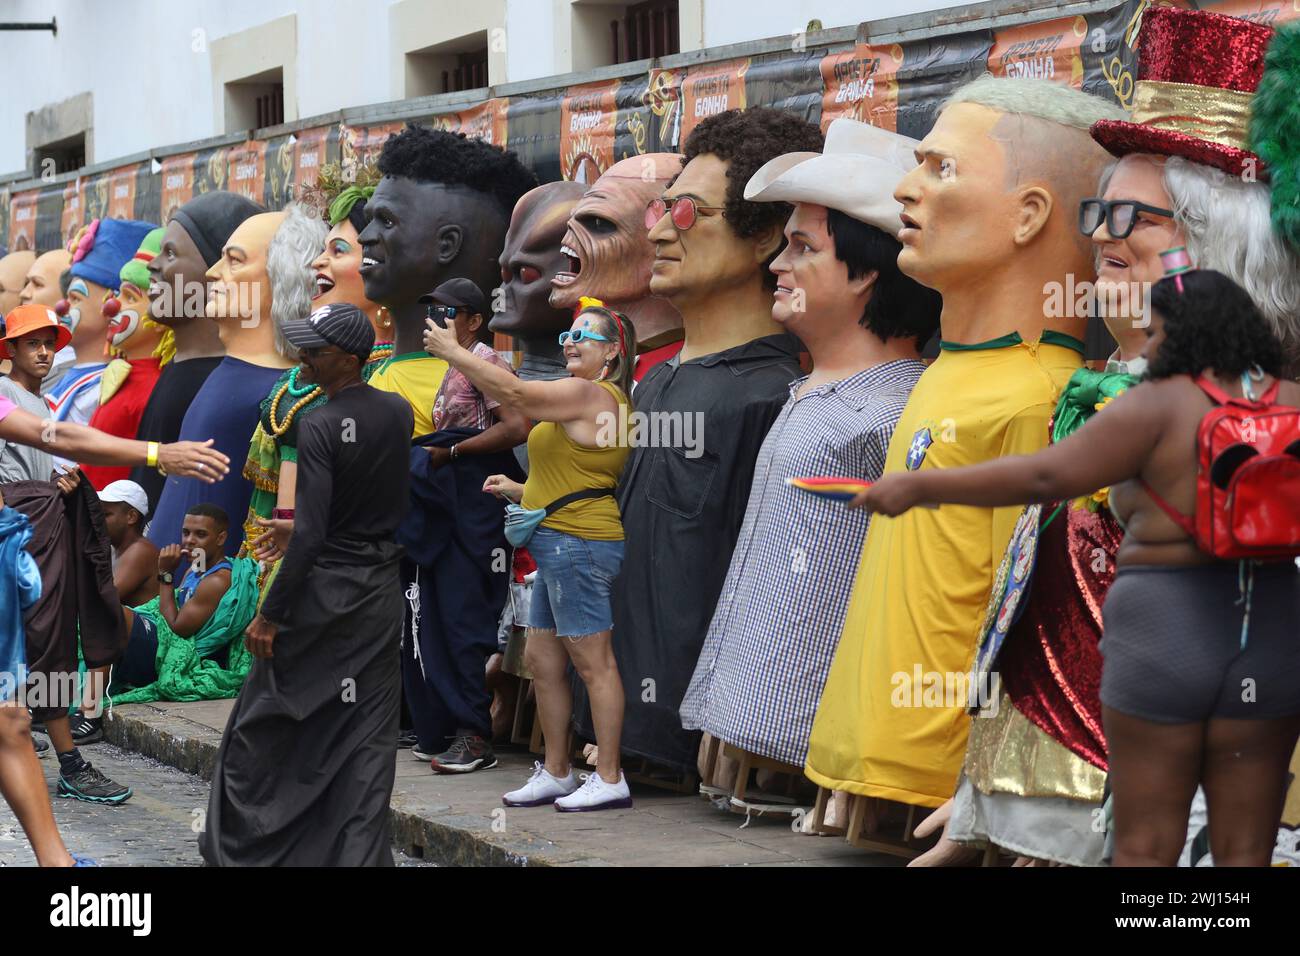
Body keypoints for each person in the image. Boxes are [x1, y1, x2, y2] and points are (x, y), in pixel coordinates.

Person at [850, 268, 1300, 867]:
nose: (1153, 346)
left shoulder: (1158, 405)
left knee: (1146, 830)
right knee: (1248, 833)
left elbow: (1046, 475)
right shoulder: (1291, 403)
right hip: (1269, 642)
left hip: (1167, 638)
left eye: (1157, 332)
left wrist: (921, 484)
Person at [802, 78, 1124, 854]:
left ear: (1030, 215)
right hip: (883, 786)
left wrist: (982, 786)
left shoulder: (1044, 398)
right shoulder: (950, 372)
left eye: (940, 169)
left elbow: (1033, 621)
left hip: (946, 805)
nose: (907, 189)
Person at [679, 119, 940, 778]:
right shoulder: (807, 392)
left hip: (803, 764)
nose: (777, 267)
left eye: (802, 248)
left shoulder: (894, 412)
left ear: (864, 276)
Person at [573, 108, 819, 778]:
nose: (656, 230)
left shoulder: (771, 397)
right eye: (660, 209)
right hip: (621, 741)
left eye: (685, 212)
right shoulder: (656, 385)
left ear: (766, 233)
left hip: (695, 755)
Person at [201, 303, 414, 865]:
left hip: (322, 595)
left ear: (348, 359)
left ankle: (249, 848)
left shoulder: (317, 423)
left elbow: (315, 536)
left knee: (263, 719)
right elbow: (360, 507)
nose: (304, 360)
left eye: (315, 352)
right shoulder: (396, 412)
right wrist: (298, 526)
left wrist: (269, 613)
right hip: (376, 593)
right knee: (366, 733)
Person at [424, 302, 636, 810]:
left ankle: (609, 777)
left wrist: (457, 352)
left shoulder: (591, 393)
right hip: (557, 540)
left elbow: (515, 392)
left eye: (584, 335)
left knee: (593, 663)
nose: (570, 340)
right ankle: (558, 771)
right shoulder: (580, 399)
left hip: (579, 543)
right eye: (568, 331)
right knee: (543, 660)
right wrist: (520, 489)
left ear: (612, 353)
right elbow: (576, 476)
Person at [397, 278, 529, 772]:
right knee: (431, 617)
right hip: (446, 503)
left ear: (474, 320)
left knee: (463, 616)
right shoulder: (454, 367)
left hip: (476, 502)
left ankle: (474, 735)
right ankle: (442, 726)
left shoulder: (488, 363)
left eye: (448, 311)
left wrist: (451, 450)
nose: (437, 318)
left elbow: (517, 426)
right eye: (433, 309)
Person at [146, 205, 324, 555]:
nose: (212, 273)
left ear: (281, 276)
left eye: (235, 260)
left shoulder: (281, 396)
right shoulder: (230, 376)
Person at [360, 124, 537, 438]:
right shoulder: (371, 371)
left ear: (447, 245)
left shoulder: (471, 388)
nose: (365, 237)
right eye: (368, 219)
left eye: (385, 221)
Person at [130, 191, 262, 517]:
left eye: (171, 253)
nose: (154, 267)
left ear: (217, 269)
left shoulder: (227, 384)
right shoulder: (177, 368)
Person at [67, 480, 160, 746]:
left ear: (131, 516)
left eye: (106, 514)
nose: (98, 519)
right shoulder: (110, 549)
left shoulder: (140, 550)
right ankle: (53, 699)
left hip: (151, 646)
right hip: (126, 646)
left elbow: (102, 598)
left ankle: (90, 713)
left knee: (102, 610)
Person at [80, 228, 167, 489]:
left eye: (130, 297)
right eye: (117, 294)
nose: (112, 306)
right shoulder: (125, 372)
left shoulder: (154, 386)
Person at [0, 304, 69, 483]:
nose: (44, 353)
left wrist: (59, 482)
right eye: (33, 343)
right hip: (12, 505)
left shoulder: (43, 402)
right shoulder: (4, 390)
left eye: (49, 343)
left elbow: (45, 456)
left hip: (38, 506)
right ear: (11, 349)